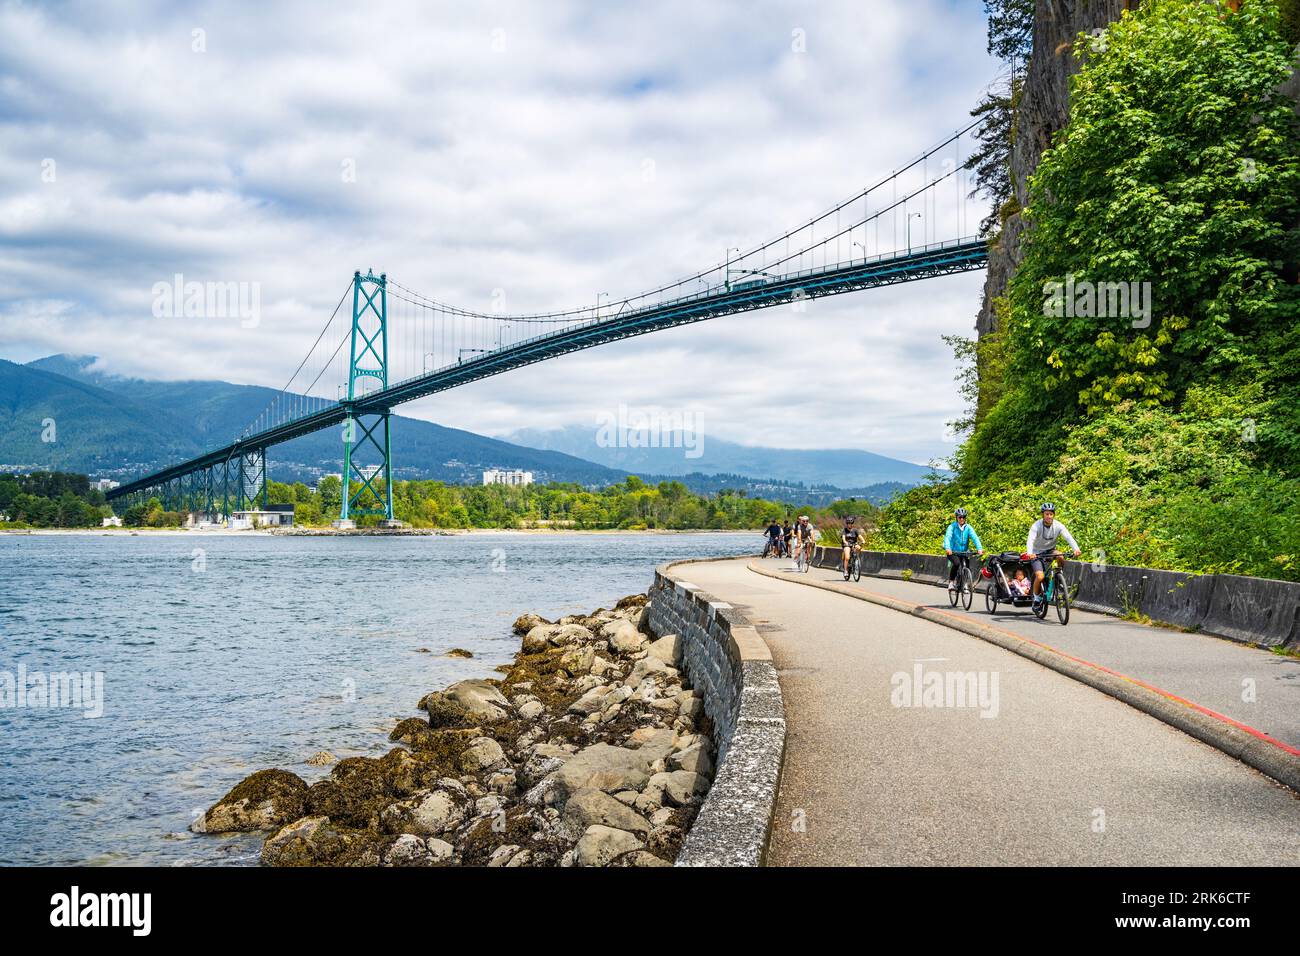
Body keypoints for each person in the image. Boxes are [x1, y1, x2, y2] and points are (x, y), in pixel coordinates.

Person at [1025, 503, 1081, 603]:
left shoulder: (1058, 525)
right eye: (1047, 514)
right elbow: (1030, 540)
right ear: (1043, 515)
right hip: (1036, 553)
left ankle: (1058, 577)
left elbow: (1068, 537)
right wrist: (1030, 553)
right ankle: (1036, 597)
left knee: (1060, 556)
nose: (1049, 516)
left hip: (1050, 550)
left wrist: (1076, 549)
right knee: (1040, 576)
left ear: (1053, 515)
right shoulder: (1036, 526)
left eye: (1051, 514)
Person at [943, 507, 984, 594]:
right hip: (952, 551)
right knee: (957, 563)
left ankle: (965, 584)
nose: (961, 519)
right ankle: (951, 582)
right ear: (956, 518)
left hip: (964, 552)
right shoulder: (952, 527)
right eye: (960, 517)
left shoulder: (968, 528)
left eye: (963, 517)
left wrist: (979, 548)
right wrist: (947, 548)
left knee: (967, 566)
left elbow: (975, 538)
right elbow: (948, 537)